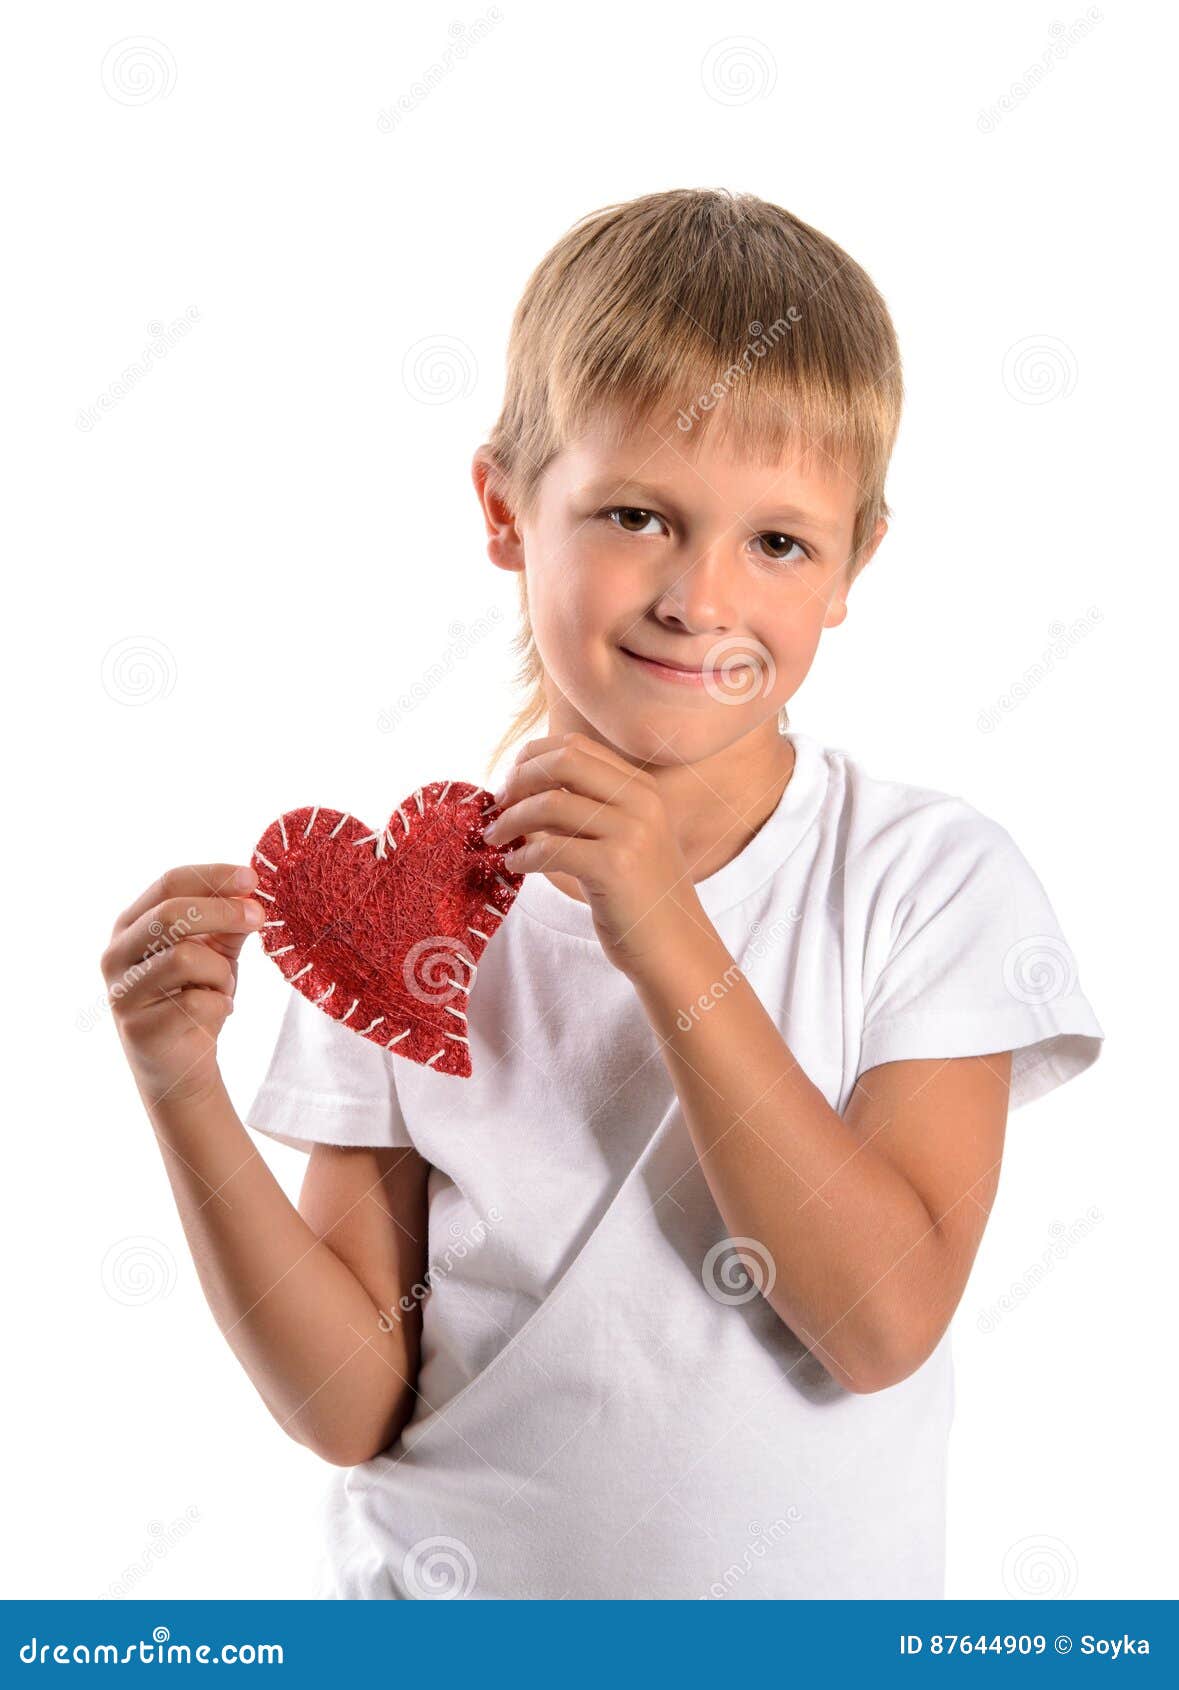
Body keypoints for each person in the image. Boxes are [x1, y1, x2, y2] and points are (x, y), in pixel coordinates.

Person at [100, 188, 1104, 1600]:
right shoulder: (408, 913)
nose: (700, 597)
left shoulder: (926, 880)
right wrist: (179, 1086)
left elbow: (878, 1323)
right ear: (506, 511)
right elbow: (346, 1402)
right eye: (637, 514)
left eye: (778, 541)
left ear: (855, 564)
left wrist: (664, 930)